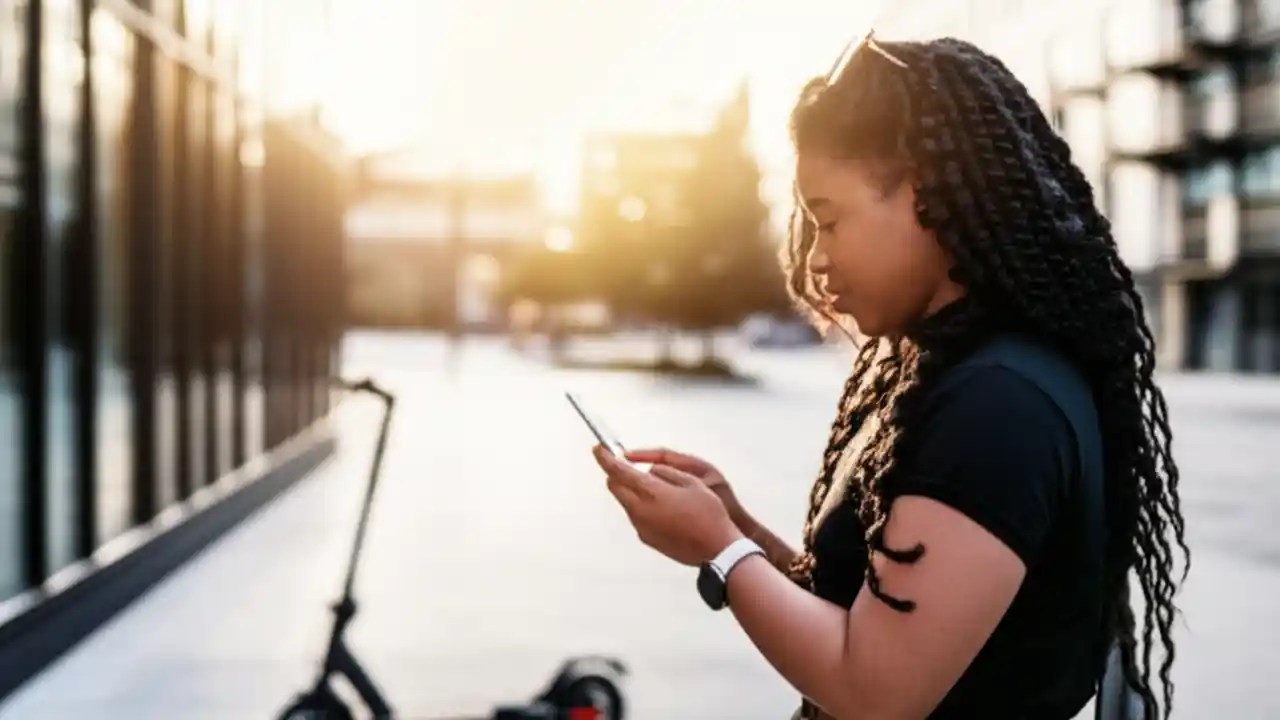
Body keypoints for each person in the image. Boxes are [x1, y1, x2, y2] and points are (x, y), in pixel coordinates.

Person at [590, 34, 1188, 720]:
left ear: (925, 193)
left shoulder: (1000, 405)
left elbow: (875, 693)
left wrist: (721, 550)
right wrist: (738, 528)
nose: (814, 260)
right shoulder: (967, 374)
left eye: (828, 220)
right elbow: (858, 621)